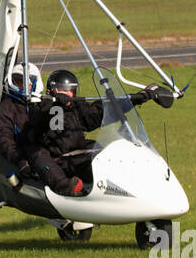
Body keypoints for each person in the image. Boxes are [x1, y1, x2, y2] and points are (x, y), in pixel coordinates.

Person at [25, 70, 166, 196]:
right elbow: (39, 122)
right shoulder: (42, 109)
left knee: (112, 154)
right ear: (52, 91)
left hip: (81, 153)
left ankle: (144, 184)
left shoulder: (77, 108)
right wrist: (54, 105)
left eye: (70, 90)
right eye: (62, 90)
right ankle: (70, 188)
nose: (67, 94)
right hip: (61, 161)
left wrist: (139, 97)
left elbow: (102, 110)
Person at [0, 62, 41, 181]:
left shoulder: (41, 105)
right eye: (15, 82)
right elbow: (3, 138)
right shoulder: (5, 108)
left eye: (22, 82)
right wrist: (20, 159)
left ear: (34, 84)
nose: (18, 86)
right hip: (25, 157)